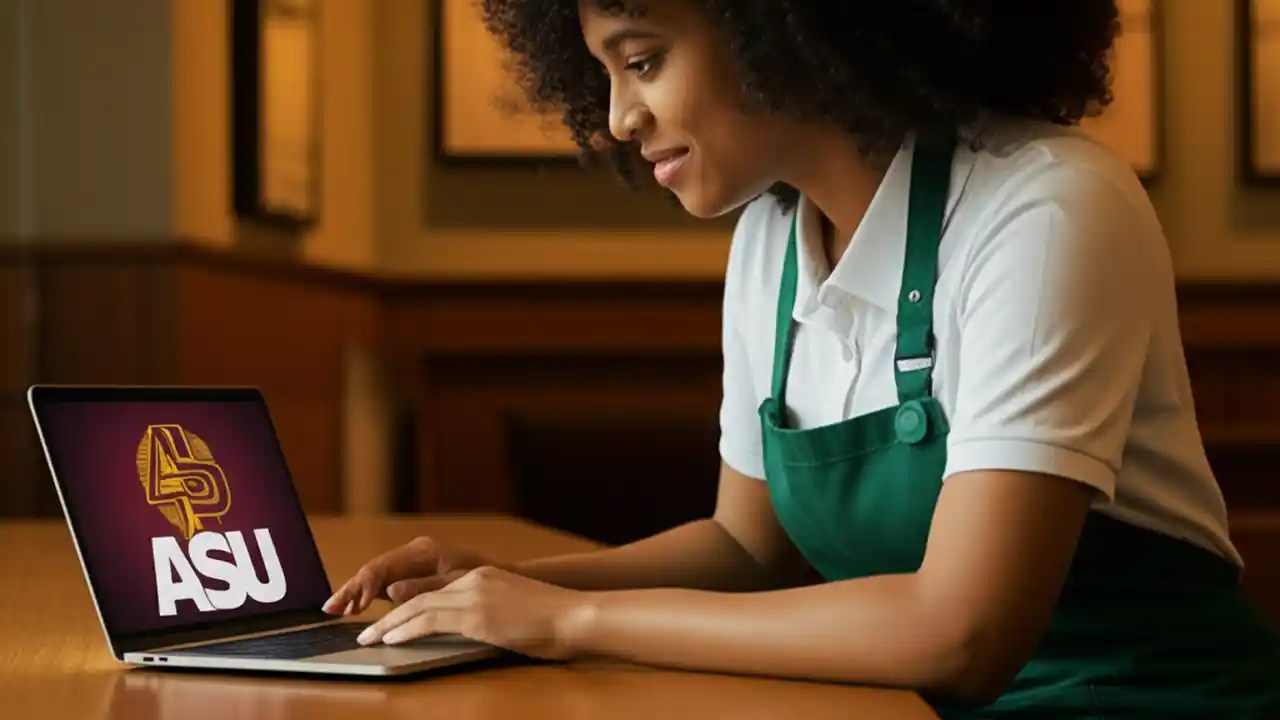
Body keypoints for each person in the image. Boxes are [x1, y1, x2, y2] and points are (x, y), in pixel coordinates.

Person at [324, 1, 1280, 715]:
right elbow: (752, 549)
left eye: (644, 61)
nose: (618, 116)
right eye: (606, 74)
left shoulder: (1048, 207)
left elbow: (963, 634)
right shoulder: (769, 241)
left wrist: (569, 623)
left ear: (777, 22)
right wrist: (503, 585)